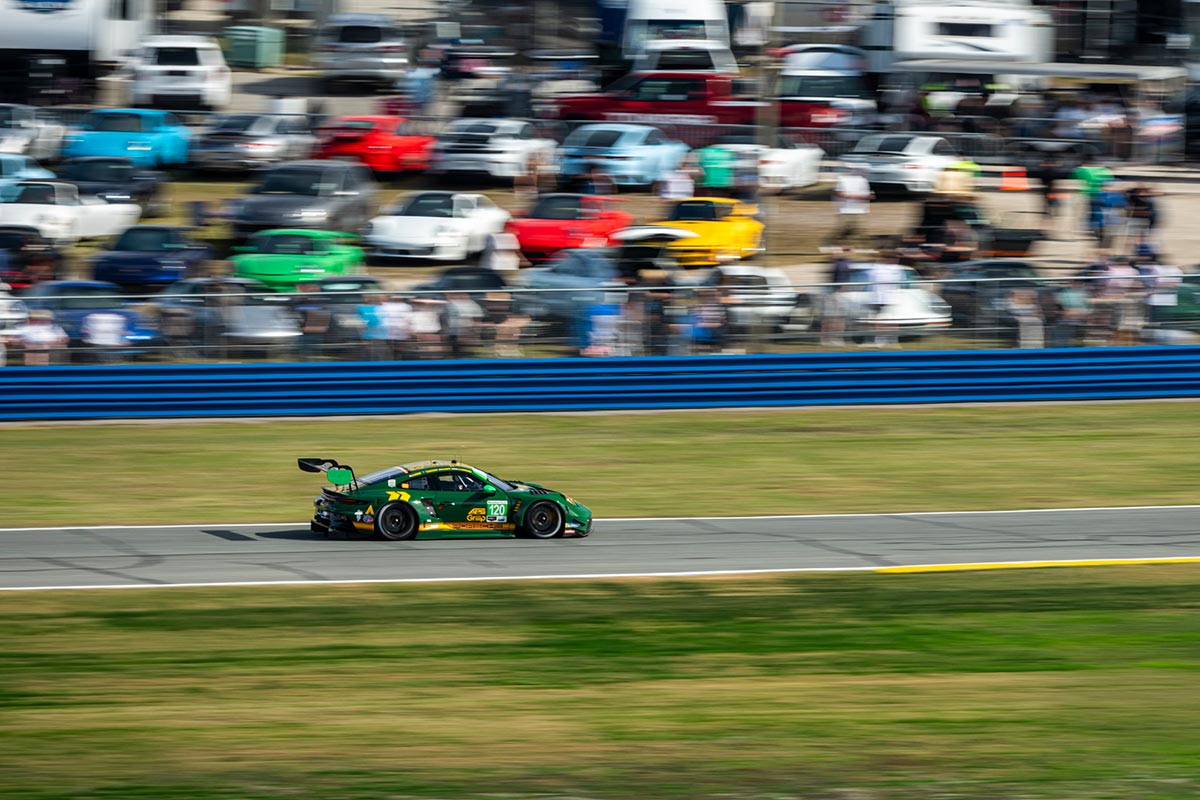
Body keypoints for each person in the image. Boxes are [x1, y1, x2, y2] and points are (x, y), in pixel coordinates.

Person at [831, 167, 873, 244]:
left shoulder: (862, 181)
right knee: (847, 228)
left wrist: (868, 197)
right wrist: (856, 196)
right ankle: (835, 242)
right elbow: (838, 193)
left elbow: (866, 195)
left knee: (856, 228)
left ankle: (845, 242)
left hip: (858, 209)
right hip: (845, 209)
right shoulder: (843, 180)